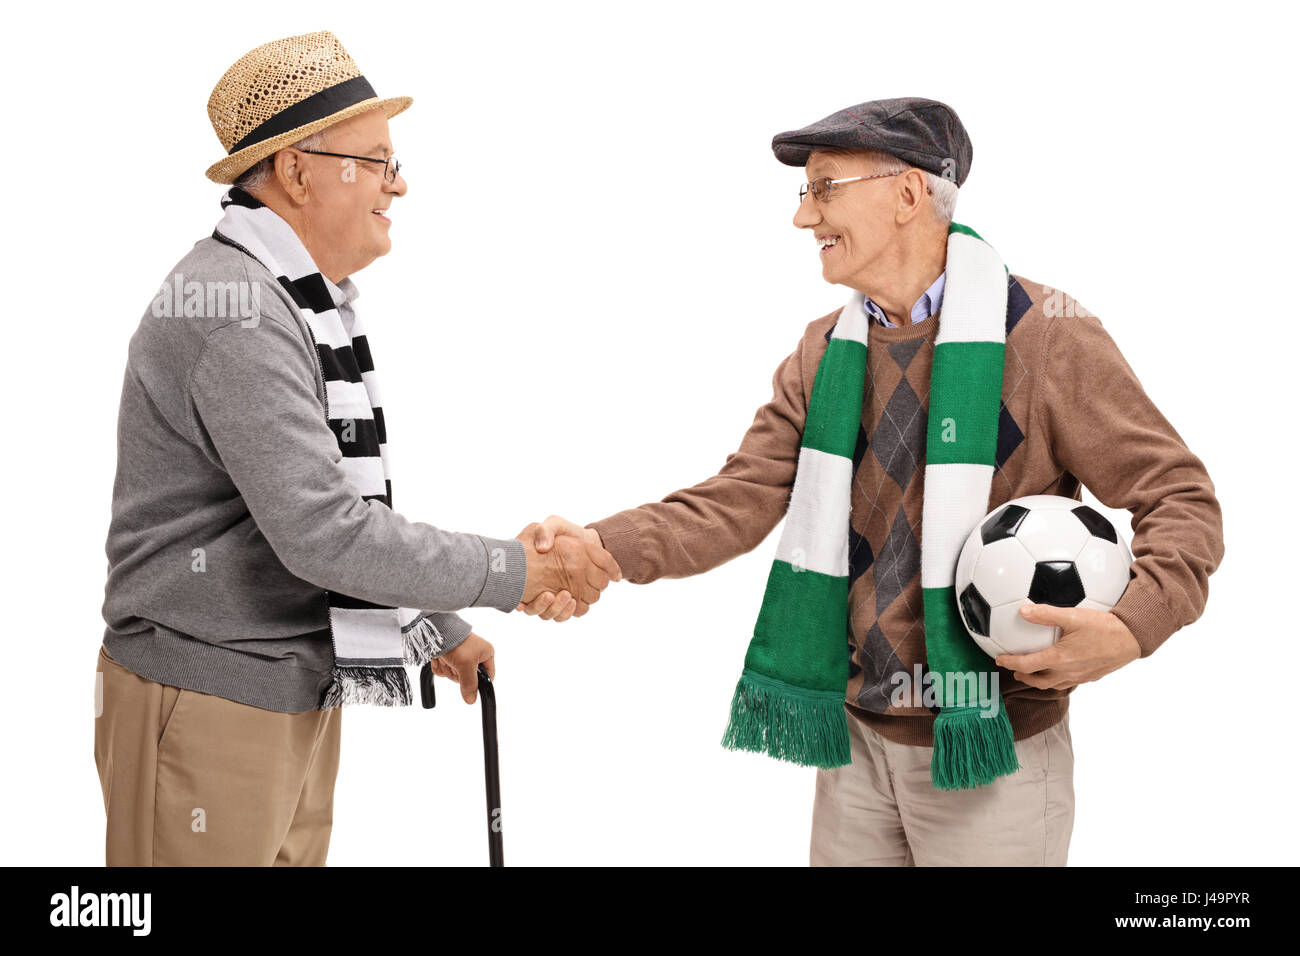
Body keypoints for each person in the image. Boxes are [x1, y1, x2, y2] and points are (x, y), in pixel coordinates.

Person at [519, 97, 1225, 866]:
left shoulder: (1047, 333)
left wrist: (1132, 625)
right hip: (853, 746)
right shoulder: (824, 353)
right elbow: (738, 498)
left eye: (824, 188)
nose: (802, 218)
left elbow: (1180, 495)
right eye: (804, 193)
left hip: (991, 754)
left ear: (907, 194)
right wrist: (598, 547)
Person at [94, 30, 618, 867]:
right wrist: (518, 573)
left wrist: (429, 624)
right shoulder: (236, 311)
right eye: (375, 161)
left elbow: (325, 510)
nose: (399, 183)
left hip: (281, 692)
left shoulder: (296, 300)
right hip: (207, 698)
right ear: (299, 171)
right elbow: (326, 533)